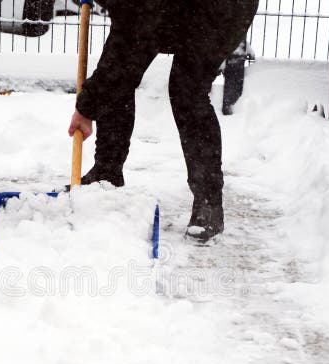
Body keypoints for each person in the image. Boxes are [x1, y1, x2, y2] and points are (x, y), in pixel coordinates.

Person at [68, 0, 259, 242]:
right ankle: (106, 175)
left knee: (187, 91)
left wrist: (86, 109)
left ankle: (208, 202)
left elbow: (123, 53)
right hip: (162, 9)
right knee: (120, 75)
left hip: (220, 9)